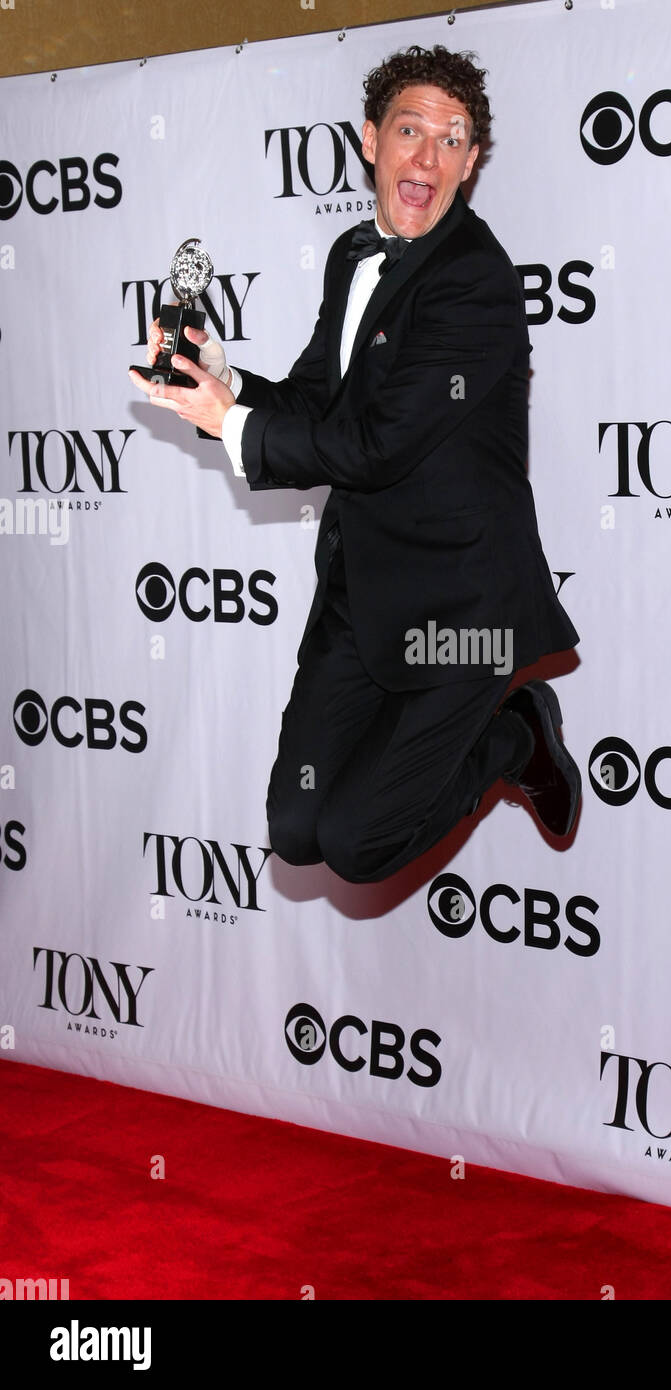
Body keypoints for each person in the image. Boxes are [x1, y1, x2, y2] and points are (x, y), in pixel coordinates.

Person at [129, 44, 581, 884]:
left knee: (358, 840)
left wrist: (232, 425)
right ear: (370, 139)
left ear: (471, 161)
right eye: (410, 131)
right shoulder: (352, 255)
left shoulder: (475, 280)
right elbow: (319, 400)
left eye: (452, 141)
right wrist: (220, 381)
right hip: (362, 591)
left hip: (461, 611)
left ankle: (515, 730)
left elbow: (376, 444)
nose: (427, 157)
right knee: (297, 830)